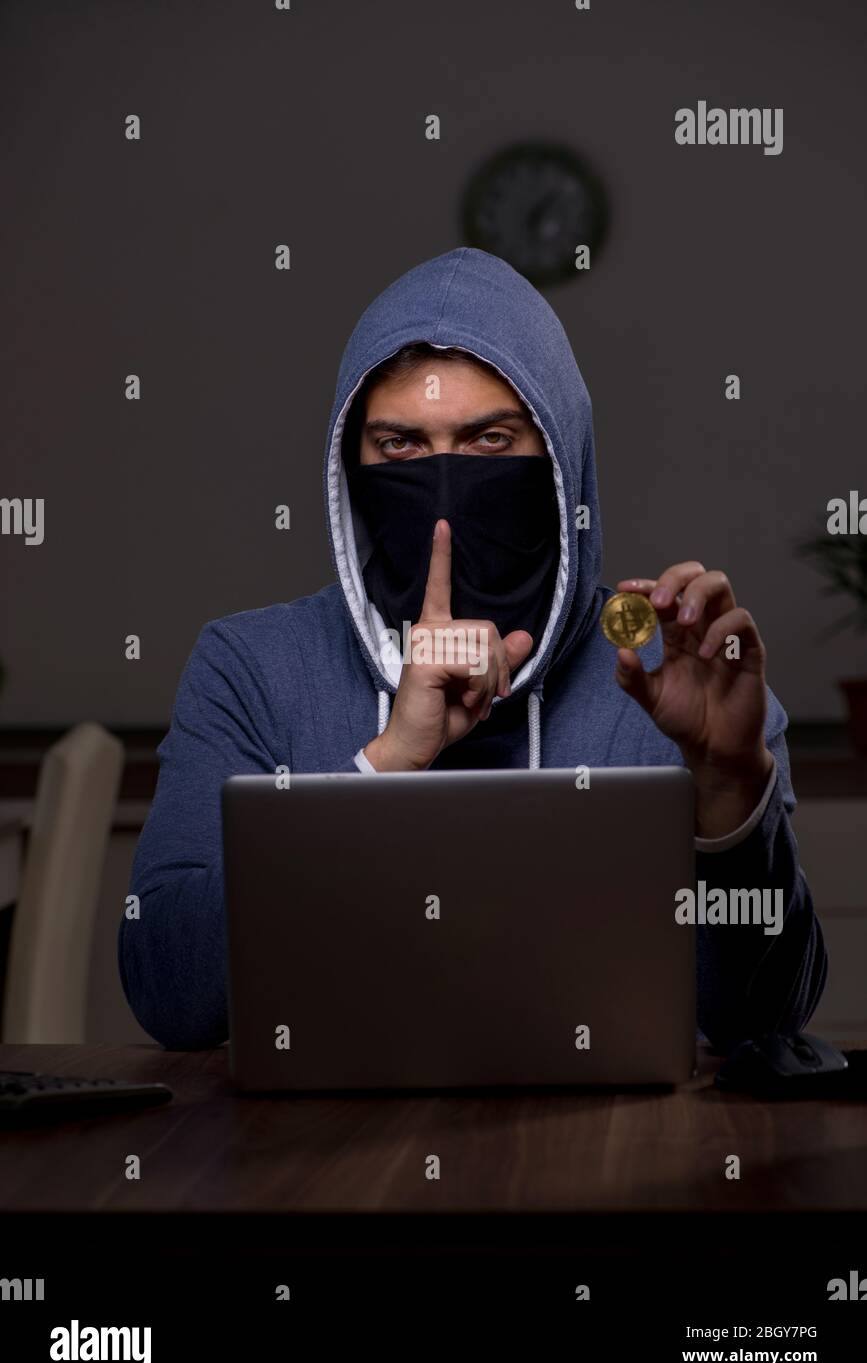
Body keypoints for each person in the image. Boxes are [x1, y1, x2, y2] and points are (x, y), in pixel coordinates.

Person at [119, 247, 827, 1052]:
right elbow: (168, 991)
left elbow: (763, 1019)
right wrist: (383, 768)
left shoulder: (672, 672)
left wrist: (729, 789)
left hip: (612, 1162)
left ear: (562, 465)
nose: (444, 490)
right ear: (349, 467)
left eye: (490, 441)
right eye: (401, 447)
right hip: (320, 1163)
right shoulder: (249, 668)